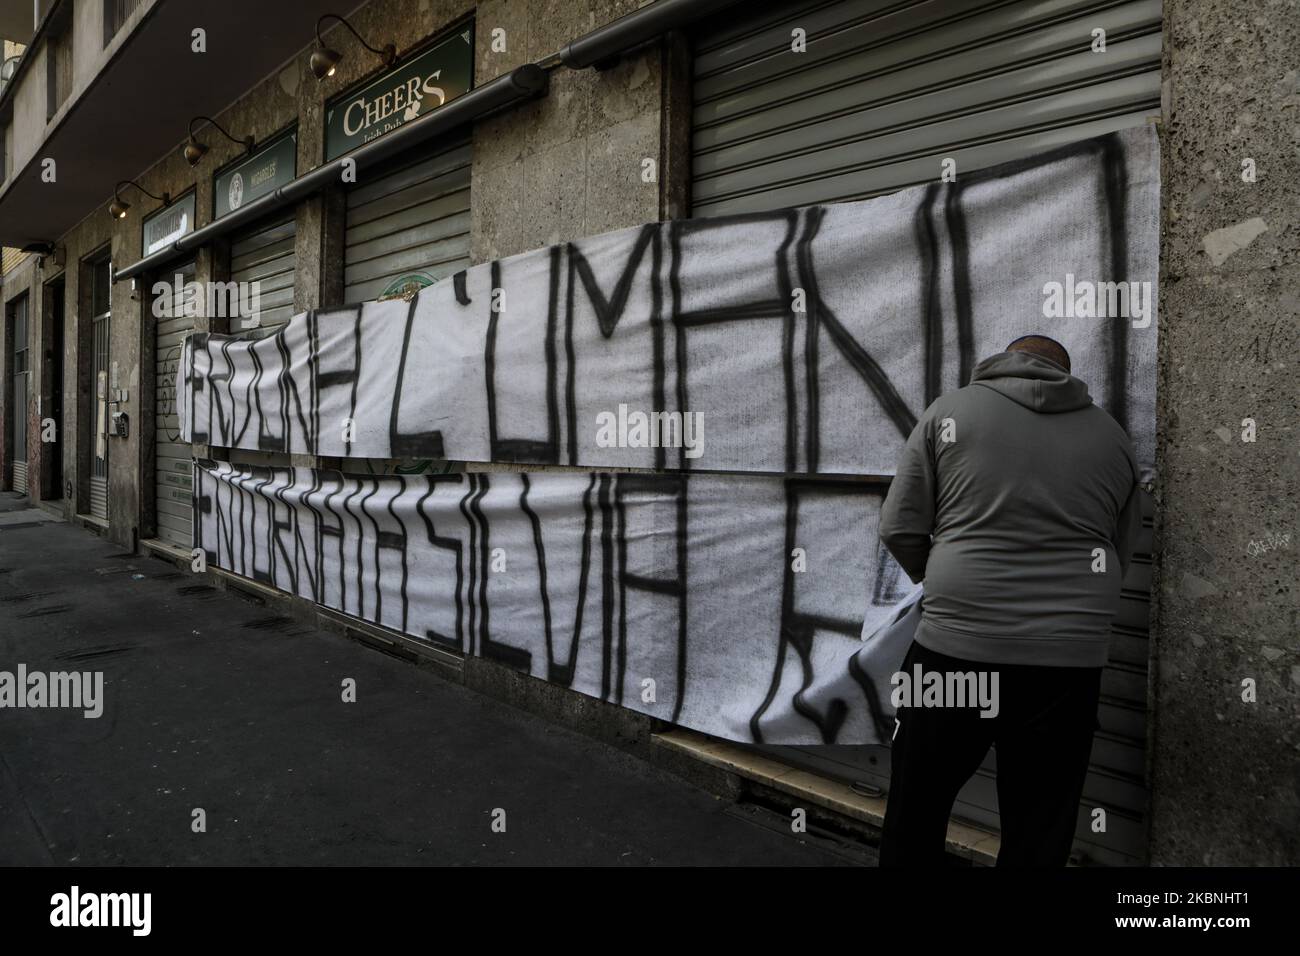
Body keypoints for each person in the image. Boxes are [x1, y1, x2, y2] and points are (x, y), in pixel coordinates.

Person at [876, 334, 1142, 867]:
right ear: (1066, 373)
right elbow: (1119, 551)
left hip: (954, 653)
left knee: (918, 801)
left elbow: (900, 527)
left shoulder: (950, 412)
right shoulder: (1112, 438)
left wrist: (951, 582)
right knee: (1040, 824)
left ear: (1002, 361)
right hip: (1066, 667)